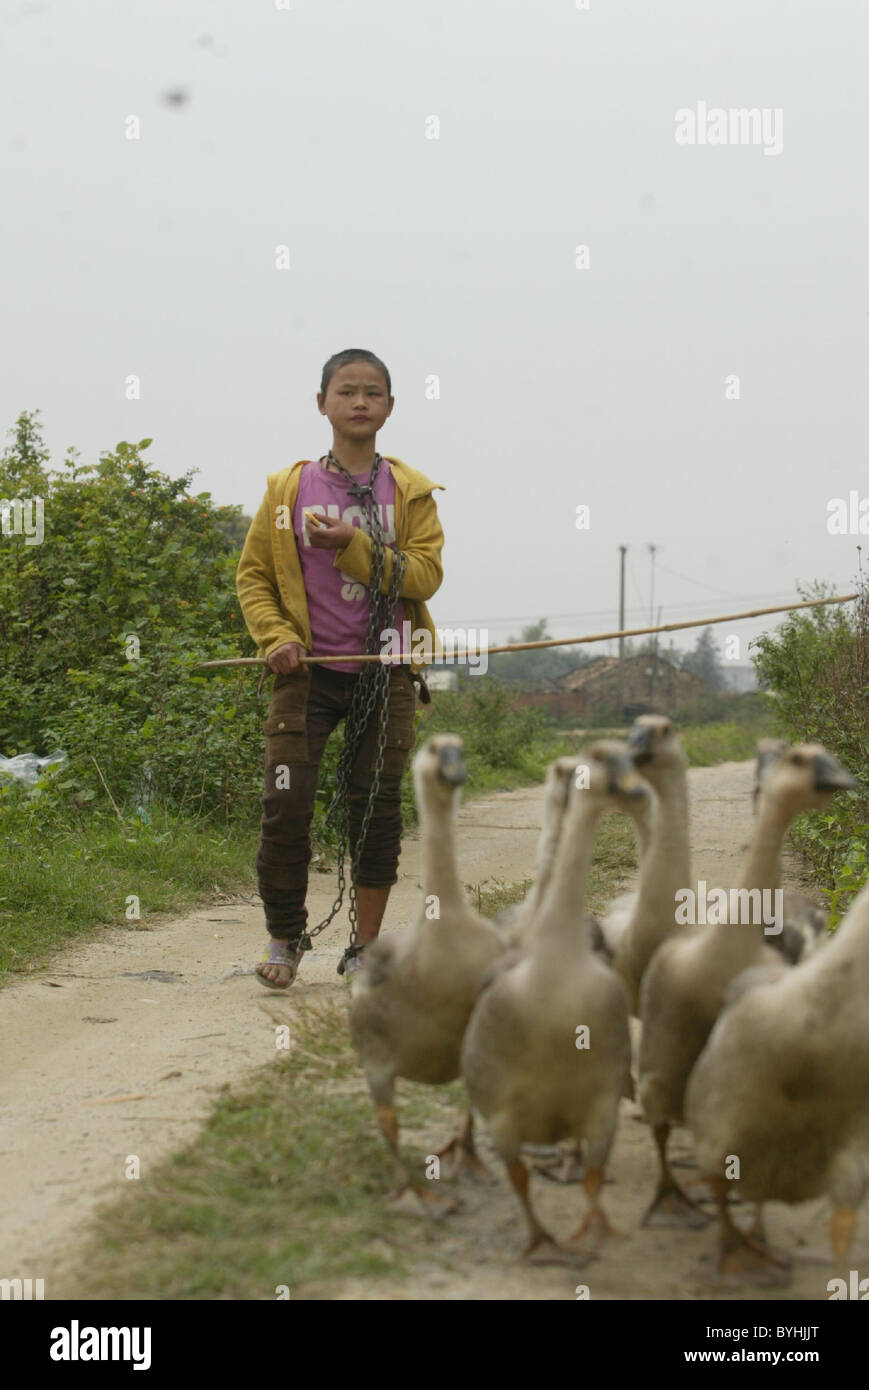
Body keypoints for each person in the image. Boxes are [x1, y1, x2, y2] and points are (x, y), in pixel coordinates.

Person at [236, 349, 445, 987]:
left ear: (389, 406)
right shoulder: (288, 489)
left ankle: (367, 950)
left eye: (373, 392)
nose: (360, 402)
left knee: (376, 807)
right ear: (321, 402)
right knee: (285, 800)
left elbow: (425, 576)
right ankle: (284, 937)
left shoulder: (410, 491)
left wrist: (351, 544)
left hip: (386, 673)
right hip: (306, 675)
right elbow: (254, 578)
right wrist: (275, 638)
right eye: (347, 391)